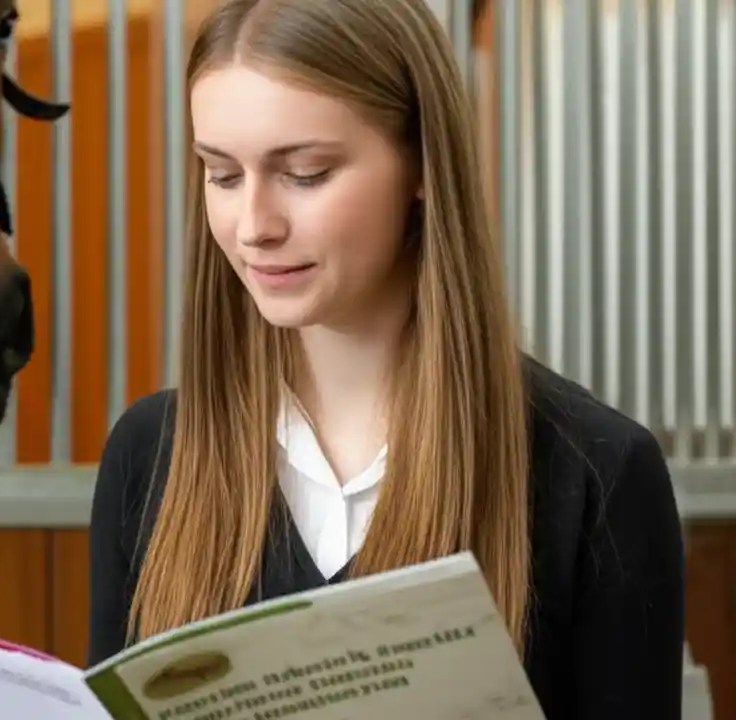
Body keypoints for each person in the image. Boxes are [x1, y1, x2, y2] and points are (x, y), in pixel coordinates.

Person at [87, 0, 685, 717]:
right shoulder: (149, 454)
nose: (254, 227)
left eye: (306, 173)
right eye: (221, 175)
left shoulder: (596, 472)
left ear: (422, 166)